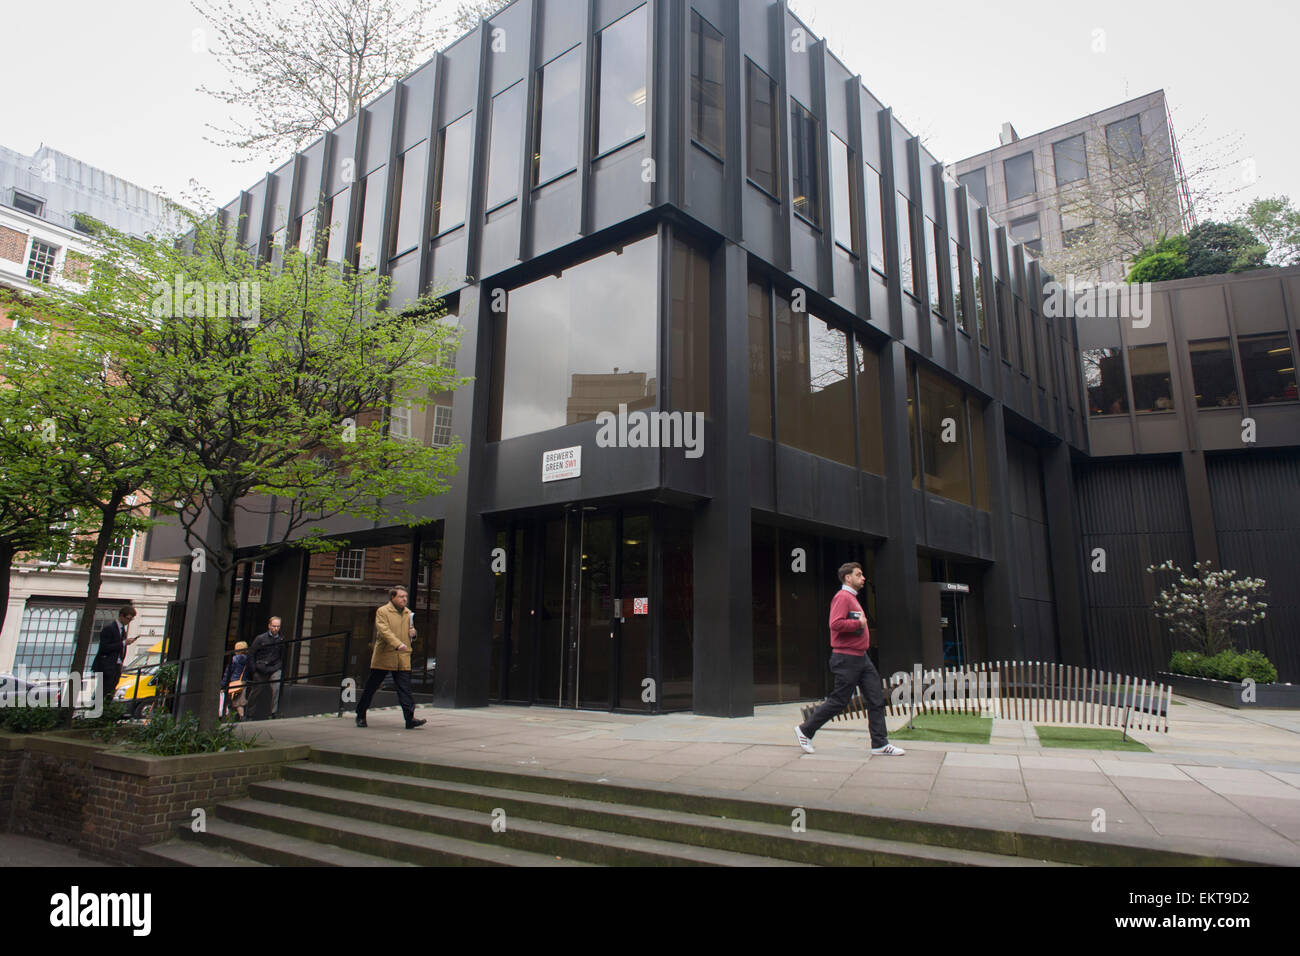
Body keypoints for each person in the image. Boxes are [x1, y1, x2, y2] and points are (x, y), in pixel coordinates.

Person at [795, 563, 904, 757]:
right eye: (859, 575)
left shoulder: (852, 598)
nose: (863, 578)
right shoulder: (842, 597)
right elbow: (835, 624)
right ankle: (805, 730)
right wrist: (858, 624)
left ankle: (880, 744)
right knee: (840, 701)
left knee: (876, 698)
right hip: (846, 658)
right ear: (848, 578)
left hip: (862, 658)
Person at [355, 587, 426, 730]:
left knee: (404, 689)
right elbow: (384, 631)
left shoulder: (407, 613)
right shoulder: (383, 611)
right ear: (392, 597)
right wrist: (397, 643)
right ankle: (361, 714)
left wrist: (414, 634)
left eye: (405, 596)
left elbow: (410, 632)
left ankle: (409, 718)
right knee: (371, 687)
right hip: (385, 656)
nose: (404, 599)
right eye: (401, 596)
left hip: (402, 657)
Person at [90, 605, 138, 704]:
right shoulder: (109, 629)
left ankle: (105, 710)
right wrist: (124, 643)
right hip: (107, 665)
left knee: (111, 690)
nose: (128, 621)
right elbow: (104, 647)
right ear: (121, 616)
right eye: (128, 618)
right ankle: (95, 710)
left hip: (116, 665)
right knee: (103, 690)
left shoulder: (122, 630)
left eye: (131, 619)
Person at [246, 617, 285, 719]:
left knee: (276, 686)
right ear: (269, 626)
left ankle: (273, 712)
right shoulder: (260, 638)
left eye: (278, 626)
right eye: (274, 626)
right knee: (256, 690)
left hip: (274, 667)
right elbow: (251, 653)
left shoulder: (281, 639)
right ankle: (249, 713)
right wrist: (254, 670)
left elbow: (282, 655)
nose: (276, 628)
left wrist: (278, 666)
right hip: (260, 668)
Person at [221, 641, 250, 720]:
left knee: (233, 702)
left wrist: (223, 684)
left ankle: (239, 717)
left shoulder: (234, 659)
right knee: (240, 700)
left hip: (234, 682)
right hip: (243, 681)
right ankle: (240, 716)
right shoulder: (248, 659)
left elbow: (228, 672)